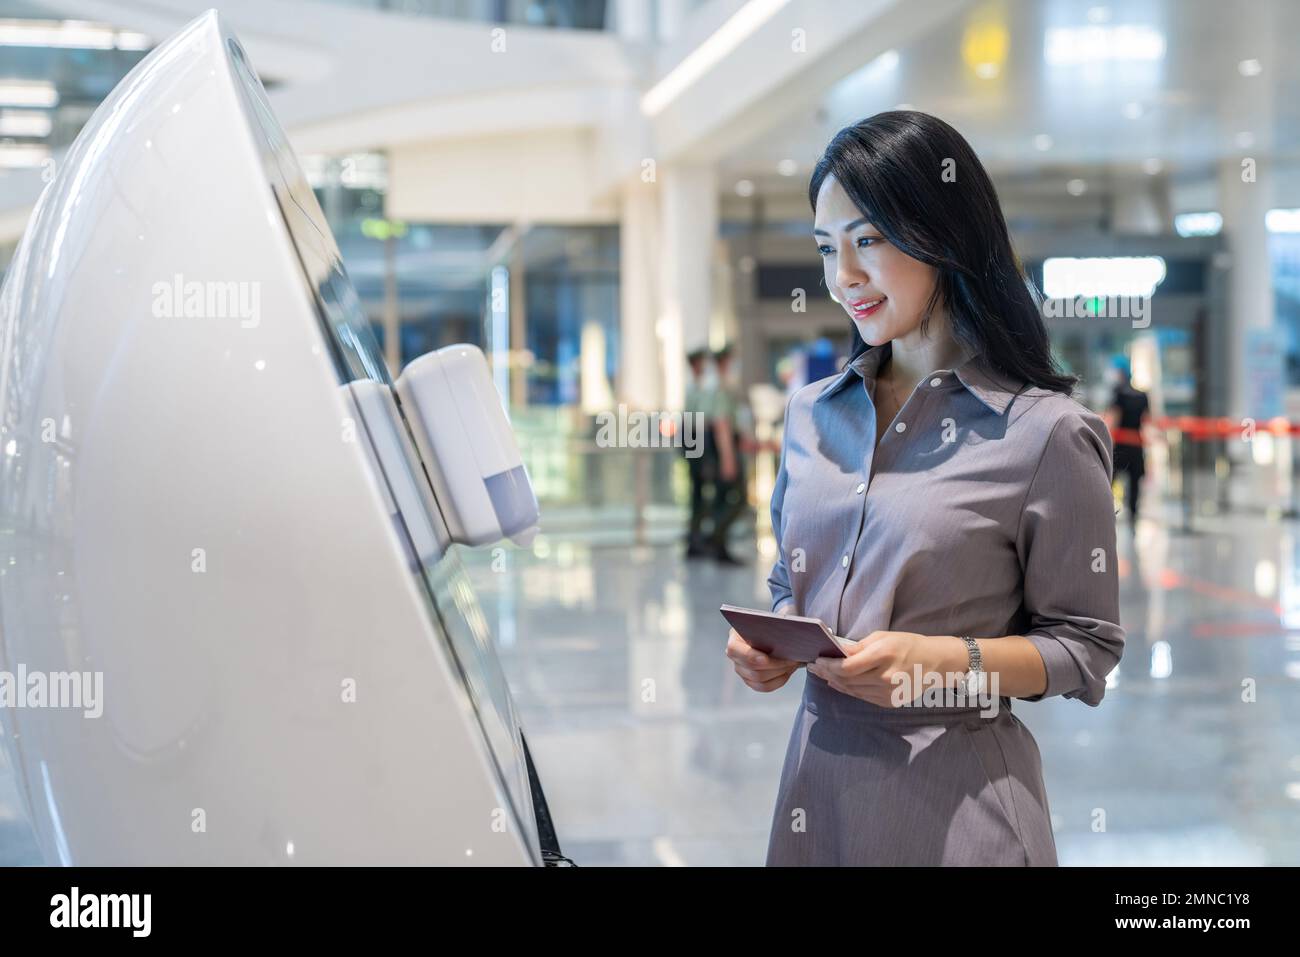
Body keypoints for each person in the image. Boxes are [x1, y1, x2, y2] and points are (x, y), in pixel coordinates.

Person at [724, 110, 1125, 866]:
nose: (842, 276)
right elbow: (792, 575)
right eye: (825, 248)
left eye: (867, 240)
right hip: (816, 793)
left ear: (942, 234)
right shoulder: (811, 414)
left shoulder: (1045, 433)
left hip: (961, 810)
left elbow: (1087, 646)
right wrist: (773, 637)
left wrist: (944, 664)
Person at [706, 345, 747, 566]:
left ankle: (718, 543)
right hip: (724, 448)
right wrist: (728, 459)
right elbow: (721, 424)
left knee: (723, 500)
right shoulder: (720, 388)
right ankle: (716, 539)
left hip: (725, 447)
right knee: (736, 498)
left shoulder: (716, 386)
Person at [1106, 357, 1150, 528]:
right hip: (1137, 445)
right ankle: (1133, 516)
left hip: (1121, 446)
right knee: (1134, 484)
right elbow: (1147, 421)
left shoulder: (1119, 394)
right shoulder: (1142, 395)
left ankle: (1106, 512)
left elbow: (1113, 419)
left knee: (1110, 481)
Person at [683, 347, 715, 559]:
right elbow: (697, 423)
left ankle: (697, 537)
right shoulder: (694, 389)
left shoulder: (698, 387)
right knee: (698, 494)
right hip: (697, 443)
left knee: (700, 494)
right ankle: (695, 539)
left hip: (697, 442)